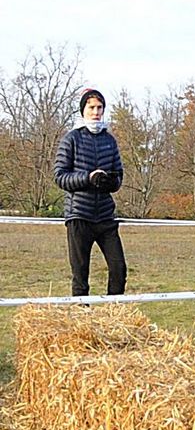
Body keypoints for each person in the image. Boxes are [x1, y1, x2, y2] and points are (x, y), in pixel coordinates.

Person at [54, 87, 128, 298]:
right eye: (91, 107)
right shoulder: (71, 139)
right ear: (83, 110)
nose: (96, 112)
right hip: (79, 215)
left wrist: (111, 181)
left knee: (118, 269)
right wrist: (88, 178)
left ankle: (112, 316)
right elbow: (60, 176)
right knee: (80, 275)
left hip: (105, 216)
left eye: (100, 107)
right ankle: (82, 319)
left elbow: (119, 176)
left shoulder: (110, 140)